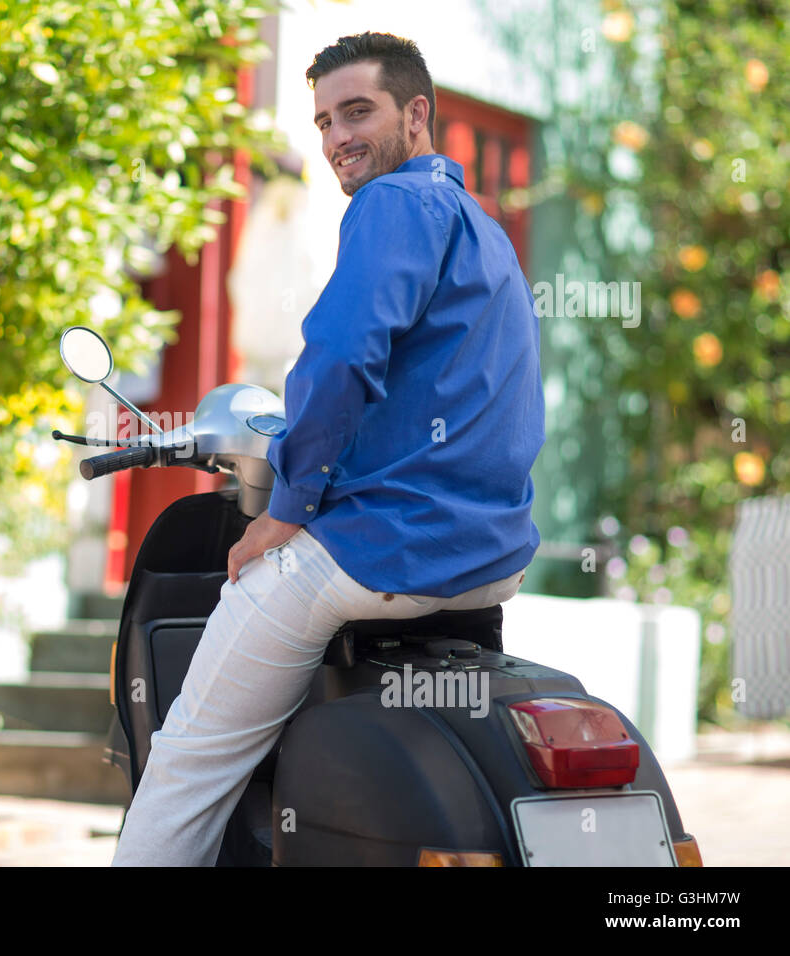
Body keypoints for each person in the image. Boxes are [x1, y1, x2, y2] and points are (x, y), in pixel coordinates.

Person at [110, 32, 545, 867]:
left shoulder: (390, 207)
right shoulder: (482, 228)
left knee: (186, 761)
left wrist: (287, 508)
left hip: (384, 546)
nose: (339, 136)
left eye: (358, 111)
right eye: (323, 121)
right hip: (490, 555)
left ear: (416, 114)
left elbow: (342, 357)